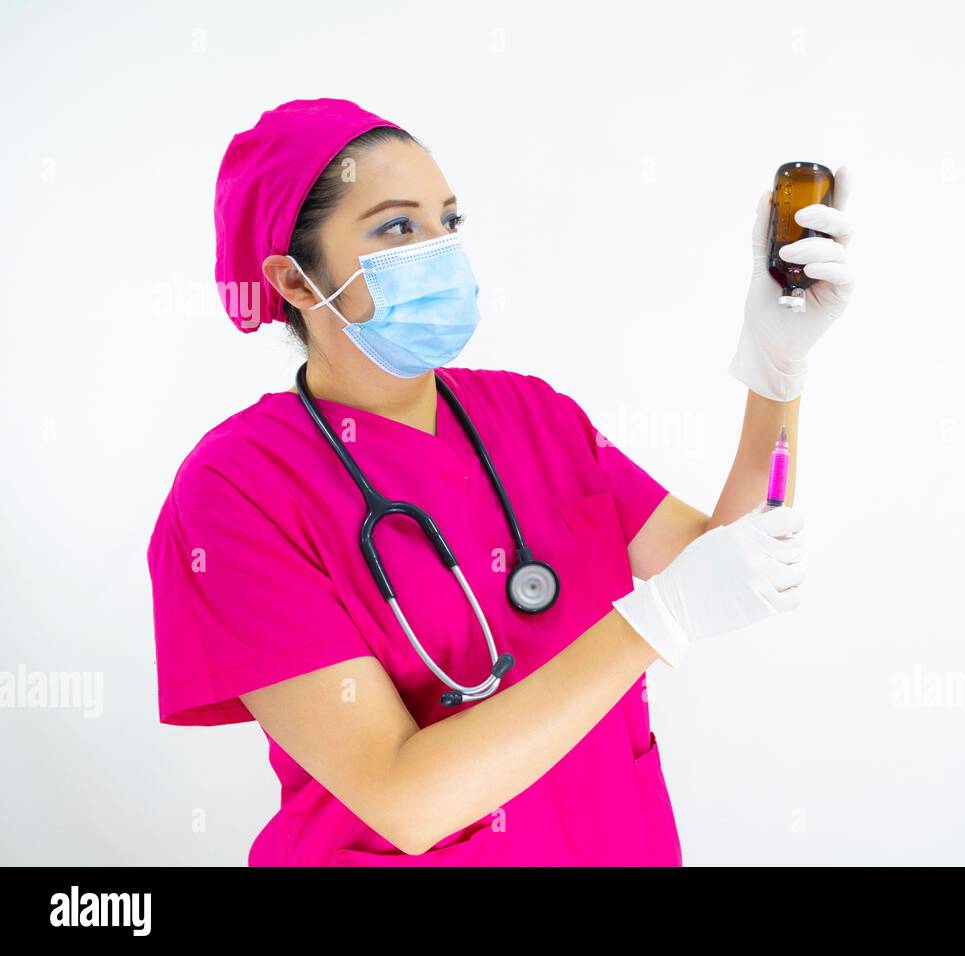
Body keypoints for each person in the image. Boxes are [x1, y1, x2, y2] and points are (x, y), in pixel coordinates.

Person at [146, 98, 855, 866]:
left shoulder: (530, 415)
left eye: (448, 222)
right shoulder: (237, 490)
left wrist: (777, 368)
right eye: (396, 228)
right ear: (290, 279)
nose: (439, 249)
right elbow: (405, 801)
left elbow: (738, 557)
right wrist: (654, 624)